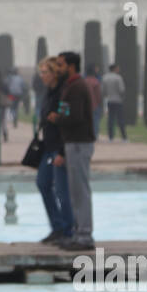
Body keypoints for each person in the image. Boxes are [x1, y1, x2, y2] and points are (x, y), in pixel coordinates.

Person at [49, 51, 95, 250]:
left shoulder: (77, 87)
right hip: (73, 143)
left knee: (80, 191)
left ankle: (84, 236)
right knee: (74, 191)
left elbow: (75, 117)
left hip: (79, 142)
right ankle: (78, 233)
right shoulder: (71, 86)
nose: (57, 69)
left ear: (71, 66)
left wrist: (57, 118)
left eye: (60, 65)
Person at [34, 57, 74, 245]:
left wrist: (62, 152)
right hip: (48, 147)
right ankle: (58, 227)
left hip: (59, 149)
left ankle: (68, 231)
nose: (42, 76)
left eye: (45, 72)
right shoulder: (48, 92)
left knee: (62, 191)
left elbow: (68, 122)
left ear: (54, 73)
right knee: (43, 183)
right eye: (40, 72)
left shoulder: (63, 93)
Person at [102, 64, 127, 141]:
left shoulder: (105, 77)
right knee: (120, 119)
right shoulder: (118, 77)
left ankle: (110, 137)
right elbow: (121, 89)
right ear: (115, 69)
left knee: (110, 119)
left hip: (109, 100)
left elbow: (103, 91)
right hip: (118, 100)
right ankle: (124, 137)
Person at [85, 64, 103, 139]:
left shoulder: (83, 81)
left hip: (85, 105)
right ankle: (95, 135)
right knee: (95, 121)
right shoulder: (96, 82)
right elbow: (98, 95)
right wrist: (99, 103)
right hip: (94, 104)